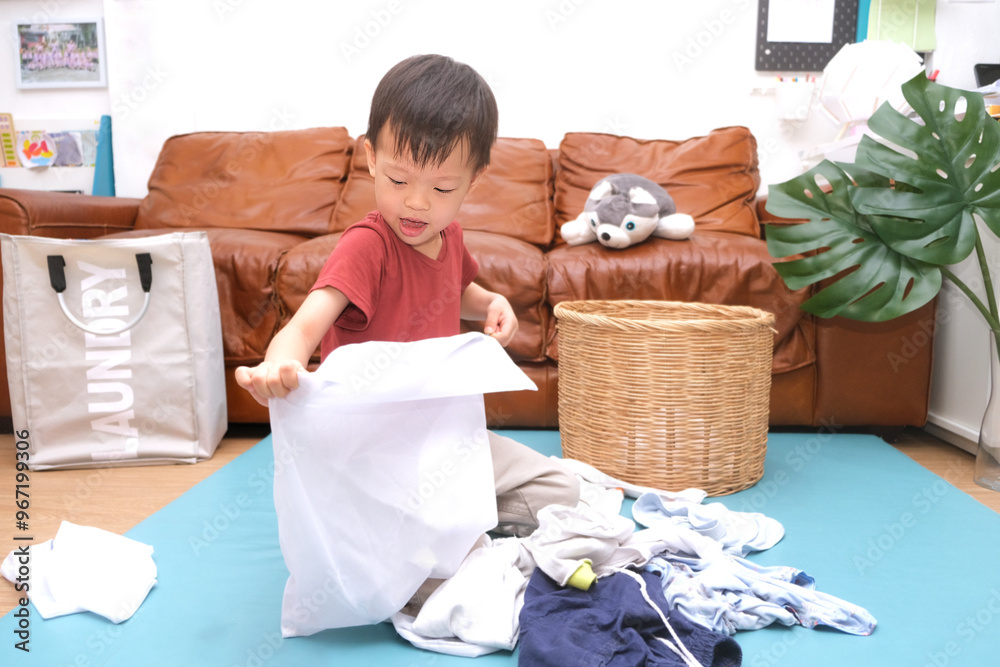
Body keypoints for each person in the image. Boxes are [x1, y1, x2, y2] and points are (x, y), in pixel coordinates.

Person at [235, 54, 579, 542]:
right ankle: (422, 530)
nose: (417, 203)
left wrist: (490, 303)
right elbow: (303, 326)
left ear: (474, 179)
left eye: (441, 187)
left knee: (561, 489)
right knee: (421, 570)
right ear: (372, 157)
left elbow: (455, 291)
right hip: (370, 451)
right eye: (398, 180)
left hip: (439, 439)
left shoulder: (450, 236)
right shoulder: (367, 246)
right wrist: (276, 369)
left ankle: (452, 522)